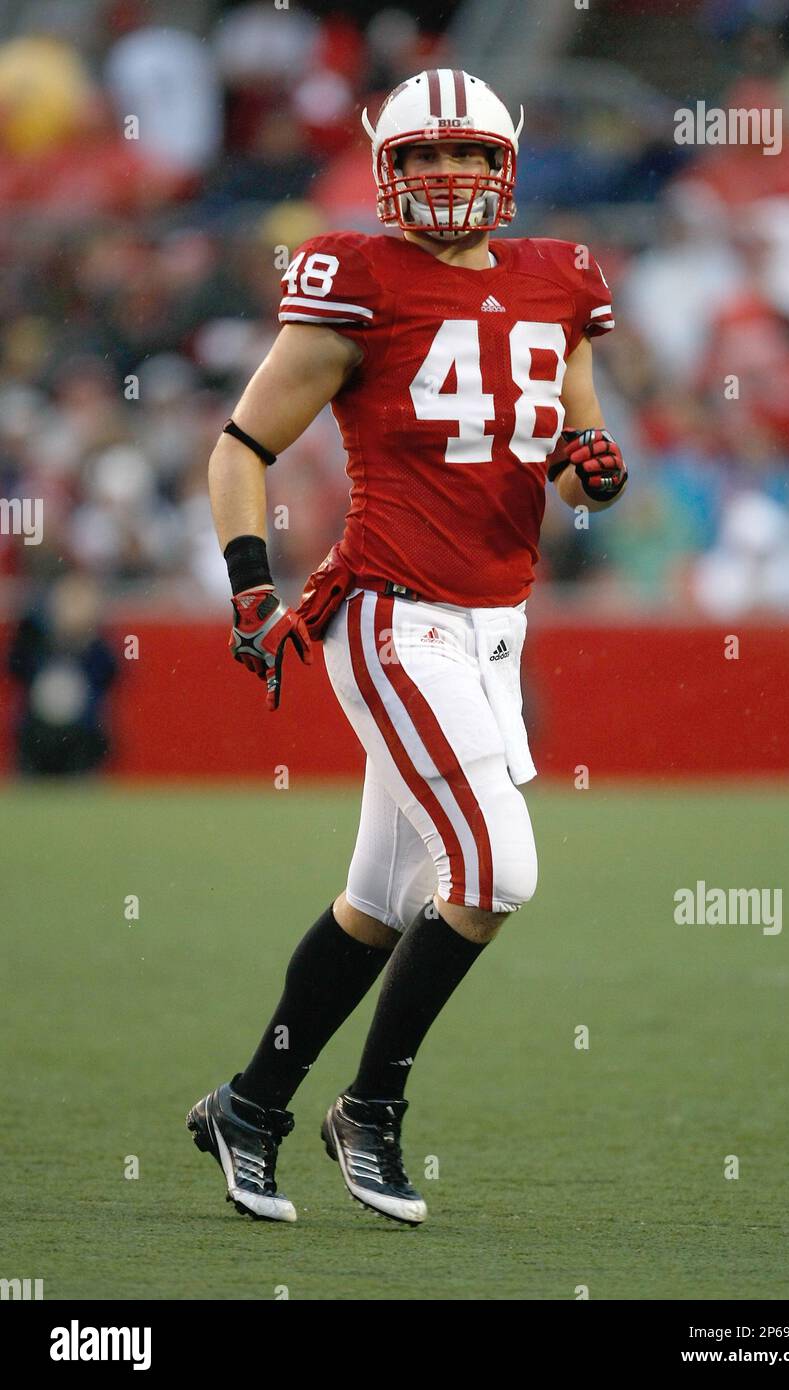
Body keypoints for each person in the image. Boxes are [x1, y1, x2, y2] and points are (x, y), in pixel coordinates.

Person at [187, 68, 628, 1226]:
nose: (446, 176)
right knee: (494, 869)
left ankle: (250, 1102)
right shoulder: (355, 277)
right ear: (385, 165)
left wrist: (589, 470)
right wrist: (247, 589)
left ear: (505, 167)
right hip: (390, 613)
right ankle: (370, 1107)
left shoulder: (559, 277)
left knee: (379, 898)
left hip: (492, 623)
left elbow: (568, 439)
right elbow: (238, 448)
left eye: (468, 156)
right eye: (423, 156)